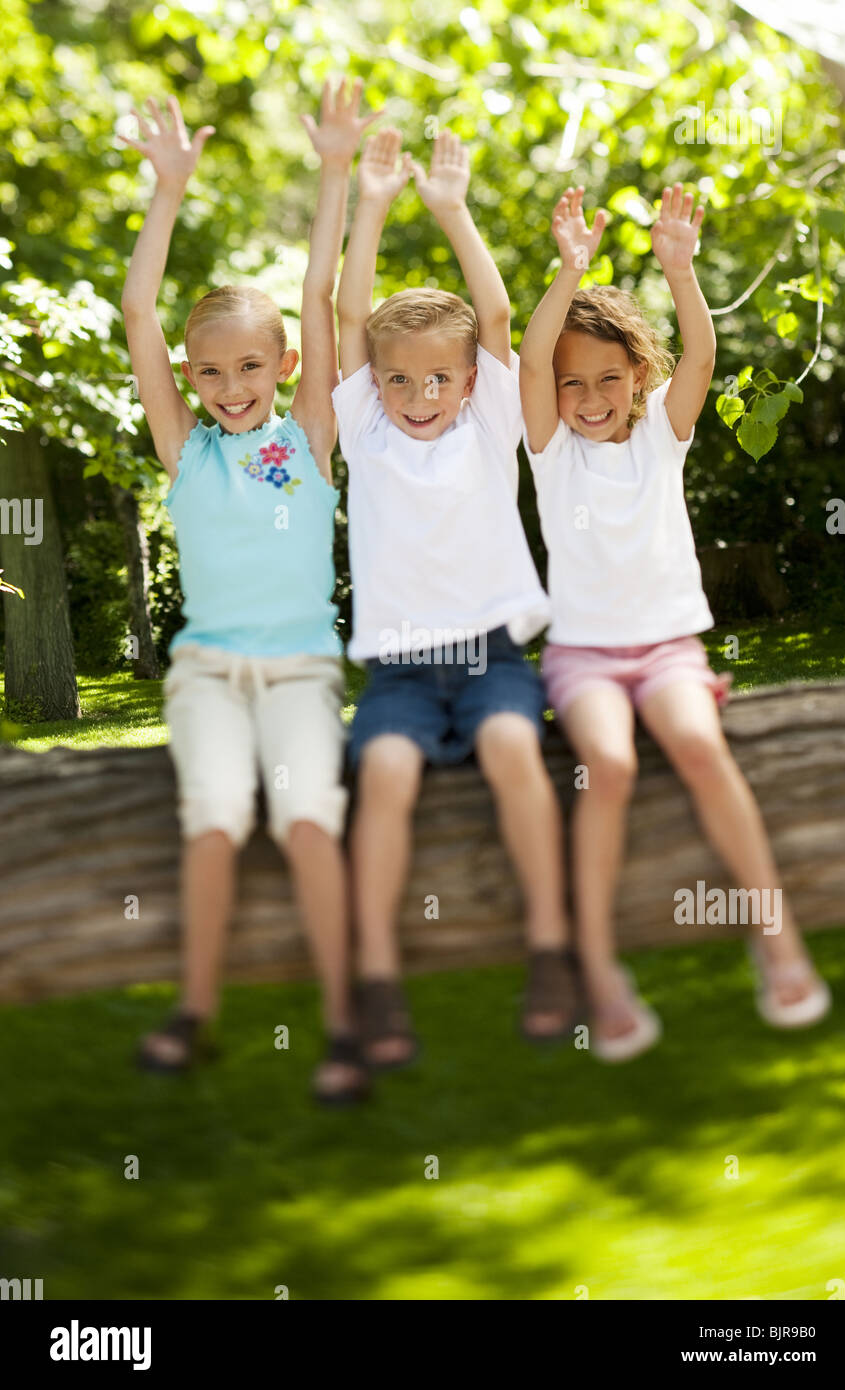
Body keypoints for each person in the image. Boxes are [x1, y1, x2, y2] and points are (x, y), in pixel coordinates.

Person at [519, 183, 831, 1062]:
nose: (588, 397)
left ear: (636, 380)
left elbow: (701, 353)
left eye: (608, 380)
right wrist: (568, 270)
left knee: (699, 746)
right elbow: (531, 354)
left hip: (666, 650)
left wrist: (680, 270)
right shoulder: (548, 449)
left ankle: (778, 942)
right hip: (582, 657)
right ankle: (601, 973)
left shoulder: (662, 432)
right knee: (608, 767)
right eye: (572, 382)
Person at [120, 82, 376, 1103]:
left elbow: (318, 294)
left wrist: (332, 170)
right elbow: (139, 308)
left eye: (249, 368)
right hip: (209, 674)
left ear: (284, 367)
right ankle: (193, 1012)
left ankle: (344, 1025)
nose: (230, 387)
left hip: (303, 664)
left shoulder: (308, 438)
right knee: (218, 815)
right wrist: (166, 191)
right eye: (210, 371)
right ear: (190, 376)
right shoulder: (185, 451)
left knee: (309, 817)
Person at [334, 127, 581, 1070]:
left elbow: (496, 308)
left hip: (492, 659)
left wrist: (450, 207)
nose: (417, 391)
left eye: (438, 376)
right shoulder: (366, 428)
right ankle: (381, 980)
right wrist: (371, 203)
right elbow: (352, 313)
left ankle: (551, 951)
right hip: (399, 671)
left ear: (472, 381)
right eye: (399, 378)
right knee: (385, 780)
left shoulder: (489, 424)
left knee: (517, 750)